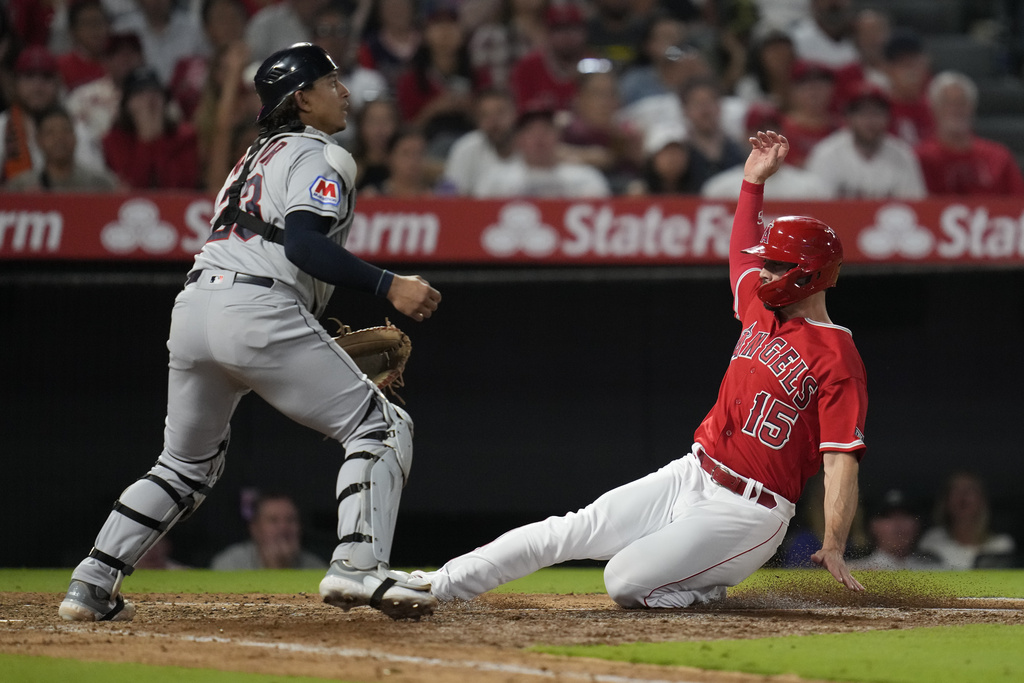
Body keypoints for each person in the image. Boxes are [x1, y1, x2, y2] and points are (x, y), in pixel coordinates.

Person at [58, 42, 442, 624]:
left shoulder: (250, 159)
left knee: (183, 466)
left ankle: (92, 582)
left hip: (194, 309)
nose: (342, 92)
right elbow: (304, 244)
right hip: (256, 310)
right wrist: (389, 285)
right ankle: (358, 565)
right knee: (380, 426)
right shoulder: (320, 153)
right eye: (330, 83)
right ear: (301, 98)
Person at [415, 130, 868, 608]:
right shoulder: (762, 307)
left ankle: (705, 593)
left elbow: (841, 461)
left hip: (750, 513)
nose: (765, 272)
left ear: (810, 273)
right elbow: (742, 250)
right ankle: (437, 585)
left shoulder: (838, 358)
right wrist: (751, 183)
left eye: (776, 265)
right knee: (570, 530)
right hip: (693, 471)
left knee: (624, 581)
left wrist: (834, 541)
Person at [804, 83, 926, 199]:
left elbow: (914, 206)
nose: (870, 121)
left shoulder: (903, 155)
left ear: (888, 118)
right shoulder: (826, 154)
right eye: (862, 114)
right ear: (848, 118)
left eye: (876, 113)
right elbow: (817, 208)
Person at [915, 71, 1024, 196]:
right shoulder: (918, 159)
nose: (955, 109)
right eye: (947, 103)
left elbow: (1019, 204)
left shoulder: (999, 157)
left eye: (962, 102)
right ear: (933, 109)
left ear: (972, 108)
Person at [473, 106, 611, 198]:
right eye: (531, 131)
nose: (539, 137)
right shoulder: (495, 180)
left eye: (546, 129)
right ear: (518, 139)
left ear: (558, 136)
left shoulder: (585, 179)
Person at [101, 66, 201, 189]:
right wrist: (145, 140)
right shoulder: (114, 140)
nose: (149, 101)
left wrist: (158, 139)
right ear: (127, 105)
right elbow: (131, 187)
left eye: (155, 93)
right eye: (140, 94)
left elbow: (180, 186)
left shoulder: (184, 136)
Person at [4, 105, 119, 191]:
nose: (59, 138)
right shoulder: (20, 186)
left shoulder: (100, 184)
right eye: (50, 133)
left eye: (66, 131)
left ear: (75, 137)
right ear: (39, 140)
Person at [918, 471, 1017, 570]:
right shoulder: (931, 541)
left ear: (982, 501)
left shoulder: (1002, 545)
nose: (963, 495)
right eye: (955, 490)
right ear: (945, 502)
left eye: (970, 489)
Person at [210, 493, 328, 570]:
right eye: (273, 520)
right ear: (255, 529)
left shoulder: (317, 569)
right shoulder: (229, 564)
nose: (283, 527)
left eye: (290, 520)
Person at [440, 87, 518, 196]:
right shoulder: (465, 148)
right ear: (477, 120)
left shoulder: (533, 146)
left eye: (500, 113)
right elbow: (451, 197)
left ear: (514, 114)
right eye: (485, 115)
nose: (493, 121)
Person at [848, 489, 940, 571]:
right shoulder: (855, 572)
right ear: (872, 525)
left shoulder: (936, 570)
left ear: (918, 524)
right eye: (887, 517)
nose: (898, 524)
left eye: (905, 516)